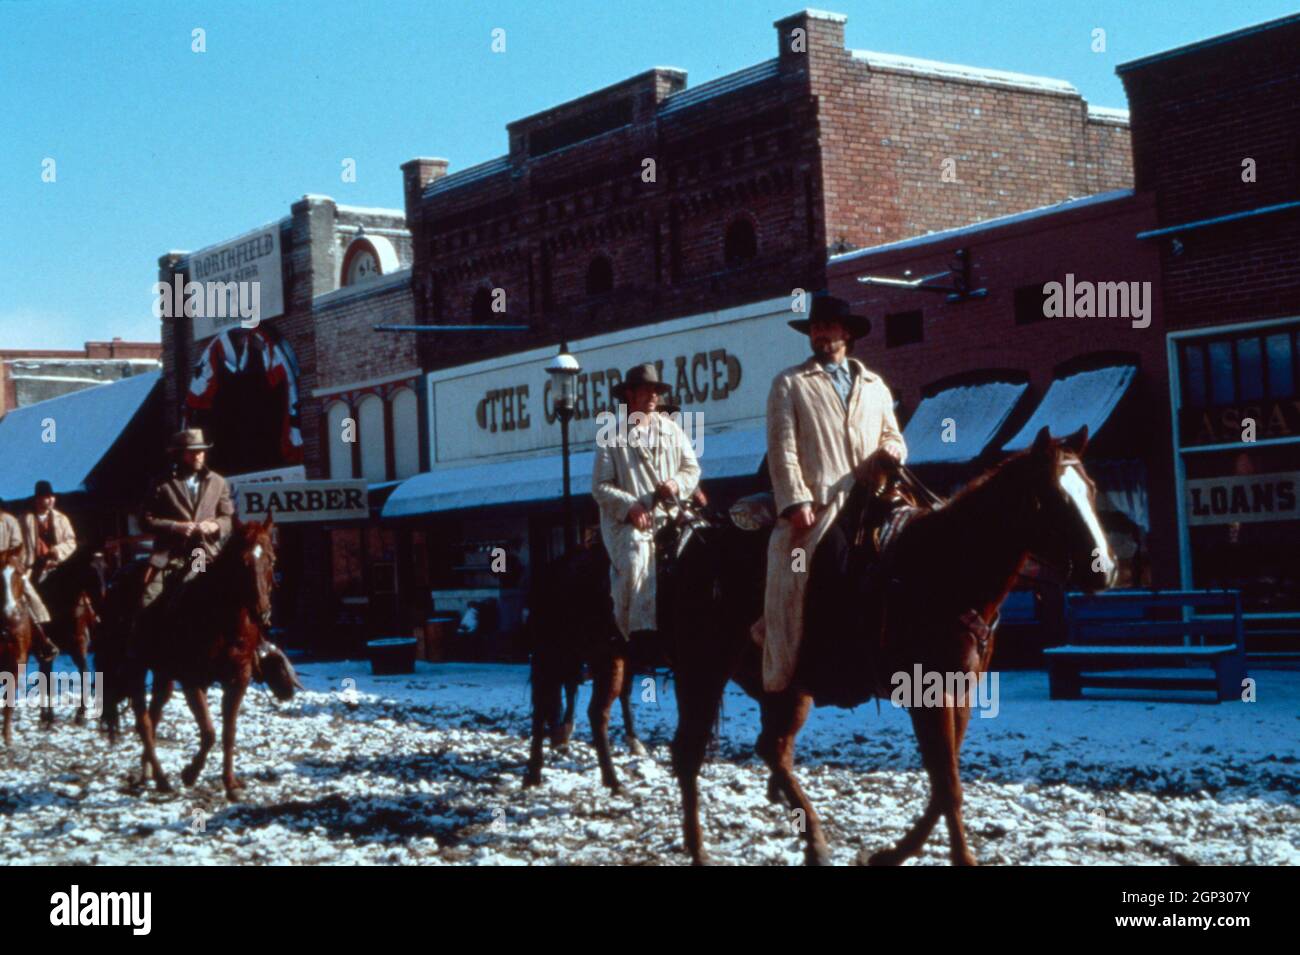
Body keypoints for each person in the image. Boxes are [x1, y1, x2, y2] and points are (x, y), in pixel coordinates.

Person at [761, 292, 907, 693]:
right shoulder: (790, 383)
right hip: (822, 503)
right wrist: (796, 500)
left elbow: (892, 434)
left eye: (828, 327)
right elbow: (782, 448)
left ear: (846, 333)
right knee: (830, 565)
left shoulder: (875, 385)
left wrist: (894, 448)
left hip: (875, 494)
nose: (821, 334)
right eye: (815, 328)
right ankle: (821, 657)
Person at [592, 363, 701, 651]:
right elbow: (600, 486)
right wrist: (630, 506)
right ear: (630, 394)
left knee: (706, 541)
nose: (652, 396)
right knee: (637, 555)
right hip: (631, 523)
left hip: (673, 514)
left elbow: (691, 468)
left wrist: (677, 484)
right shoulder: (611, 437)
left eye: (656, 390)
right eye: (646, 390)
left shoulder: (673, 430)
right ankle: (638, 631)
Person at [137, 428, 234, 621]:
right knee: (148, 600)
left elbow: (227, 519)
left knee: (193, 585)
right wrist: (175, 526)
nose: (199, 456)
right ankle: (141, 647)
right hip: (167, 554)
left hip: (201, 552)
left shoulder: (218, 482)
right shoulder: (162, 483)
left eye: (201, 451)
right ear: (179, 454)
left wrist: (215, 526)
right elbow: (145, 520)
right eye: (193, 451)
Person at [0, 496, 58, 661]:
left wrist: (9, 558)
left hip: (9, 565)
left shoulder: (10, 521)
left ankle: (43, 638)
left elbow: (18, 545)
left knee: (28, 594)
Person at [23, 480, 77, 586]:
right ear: (38, 499)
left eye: (52, 496)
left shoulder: (62, 519)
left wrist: (57, 551)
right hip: (32, 569)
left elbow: (71, 541)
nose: (51, 500)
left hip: (57, 567)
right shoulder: (24, 521)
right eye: (47, 497)